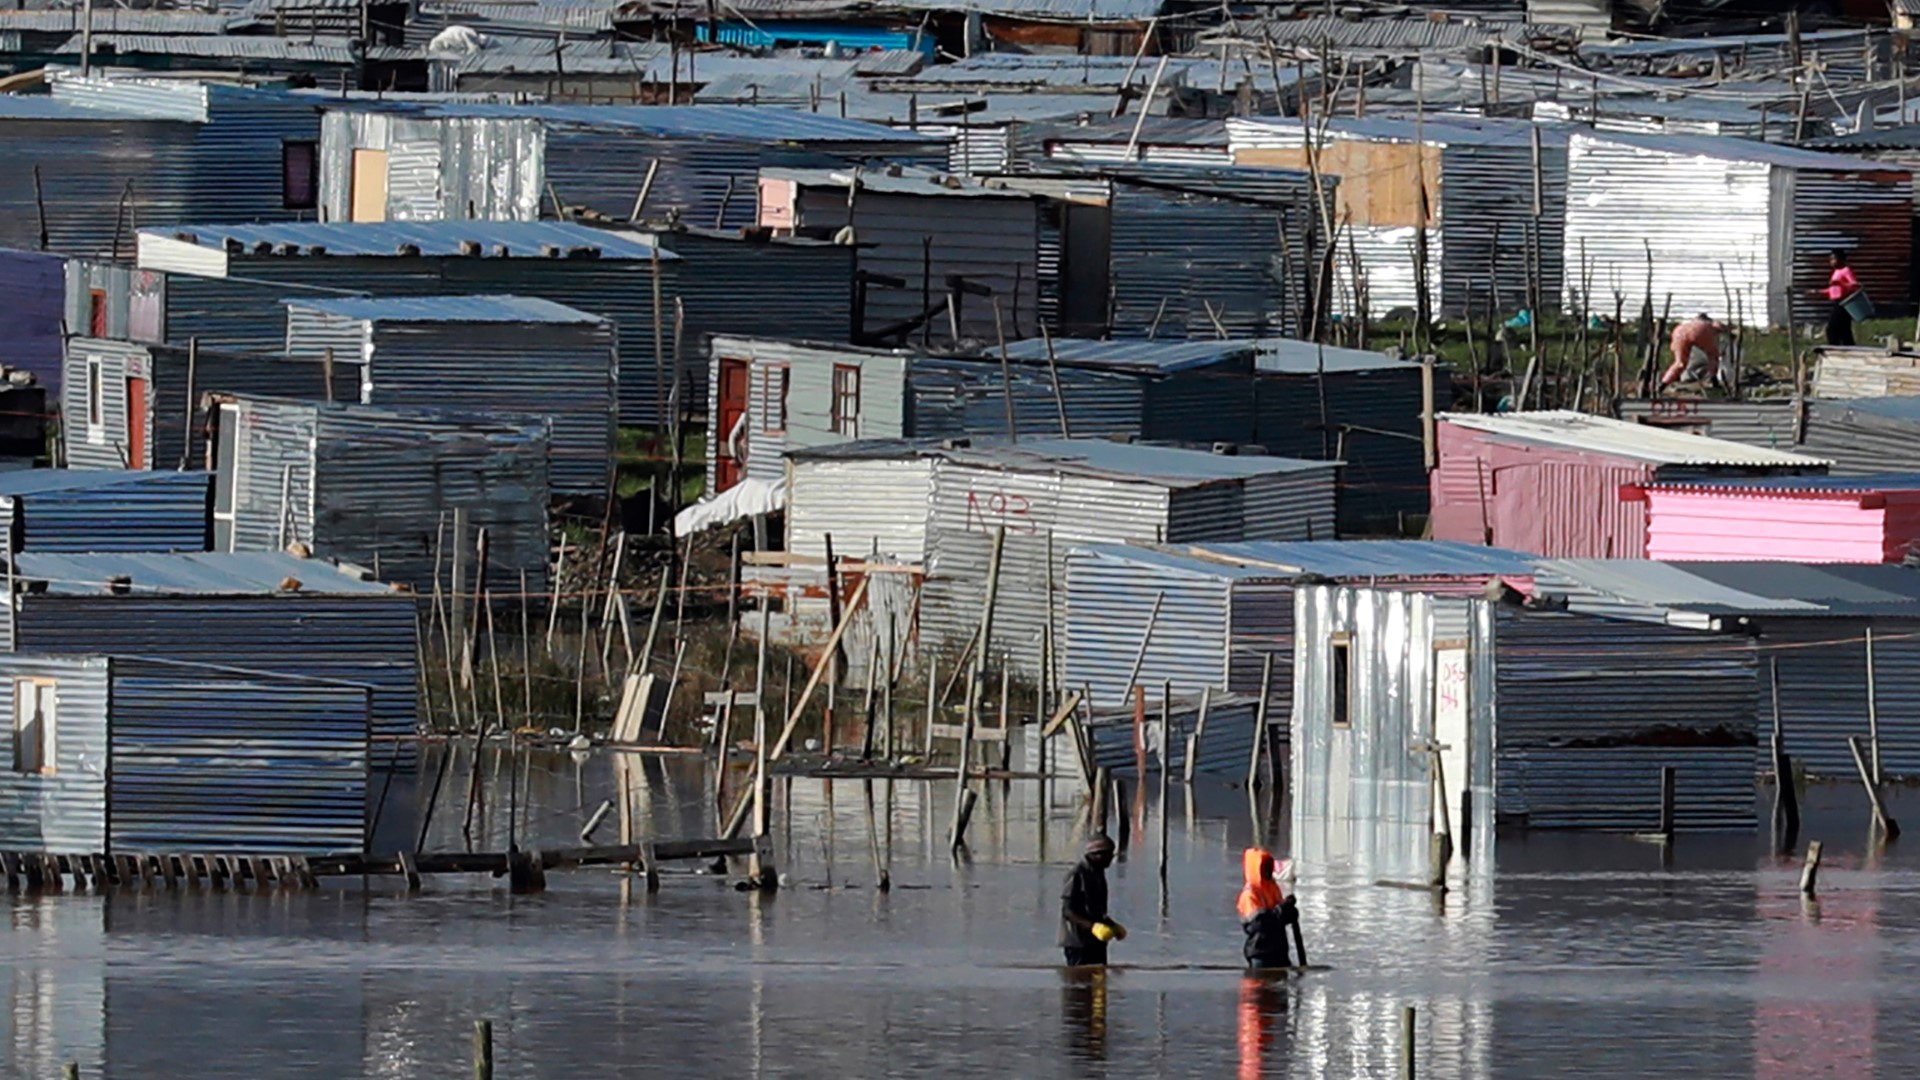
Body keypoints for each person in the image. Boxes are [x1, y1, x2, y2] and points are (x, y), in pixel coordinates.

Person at [1060, 834, 1123, 966]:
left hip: (1097, 940)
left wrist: (1112, 925)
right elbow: (1068, 911)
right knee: (1078, 982)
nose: (1111, 859)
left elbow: (1096, 910)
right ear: (1097, 854)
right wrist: (1093, 927)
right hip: (1078, 943)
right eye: (1109, 855)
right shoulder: (1077, 873)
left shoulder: (1098, 873)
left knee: (1099, 981)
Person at [1238, 847, 1298, 970]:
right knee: (1262, 985)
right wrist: (1282, 910)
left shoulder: (1272, 888)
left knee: (1282, 986)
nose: (1267, 870)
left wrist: (1289, 910)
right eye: (1263, 866)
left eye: (1268, 866)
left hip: (1279, 951)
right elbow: (1258, 923)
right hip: (1261, 953)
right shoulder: (1249, 894)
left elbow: (1279, 918)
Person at [1659, 314, 1722, 389]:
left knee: (1679, 363)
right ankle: (1714, 380)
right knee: (1713, 356)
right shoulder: (1707, 324)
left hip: (1679, 332)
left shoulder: (1688, 323)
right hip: (1701, 331)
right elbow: (1718, 325)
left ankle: (1662, 385)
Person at [1823, 251, 1861, 347]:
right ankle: (1848, 346)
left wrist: (1841, 283)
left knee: (1832, 327)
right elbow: (1834, 290)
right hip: (1837, 301)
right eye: (1830, 259)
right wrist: (1818, 292)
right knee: (1844, 328)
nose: (1832, 262)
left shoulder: (1846, 270)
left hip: (1844, 302)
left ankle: (1834, 346)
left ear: (1841, 259)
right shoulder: (1836, 272)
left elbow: (1855, 285)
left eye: (1834, 259)